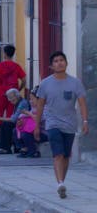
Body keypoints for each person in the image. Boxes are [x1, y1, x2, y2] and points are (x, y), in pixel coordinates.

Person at [34, 51, 88, 199]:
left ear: (66, 63)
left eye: (62, 60)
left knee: (66, 155)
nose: (59, 63)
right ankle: (60, 183)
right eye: (56, 61)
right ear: (52, 66)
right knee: (58, 153)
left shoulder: (75, 82)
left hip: (70, 124)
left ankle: (61, 182)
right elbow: (39, 106)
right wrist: (37, 125)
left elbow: (82, 103)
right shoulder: (45, 83)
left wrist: (85, 121)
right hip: (52, 123)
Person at [0, 44, 26, 152]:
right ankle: (12, 140)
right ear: (13, 53)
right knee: (12, 116)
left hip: (1, 93)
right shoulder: (16, 66)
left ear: (5, 53)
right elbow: (24, 79)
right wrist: (18, 89)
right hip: (13, 94)